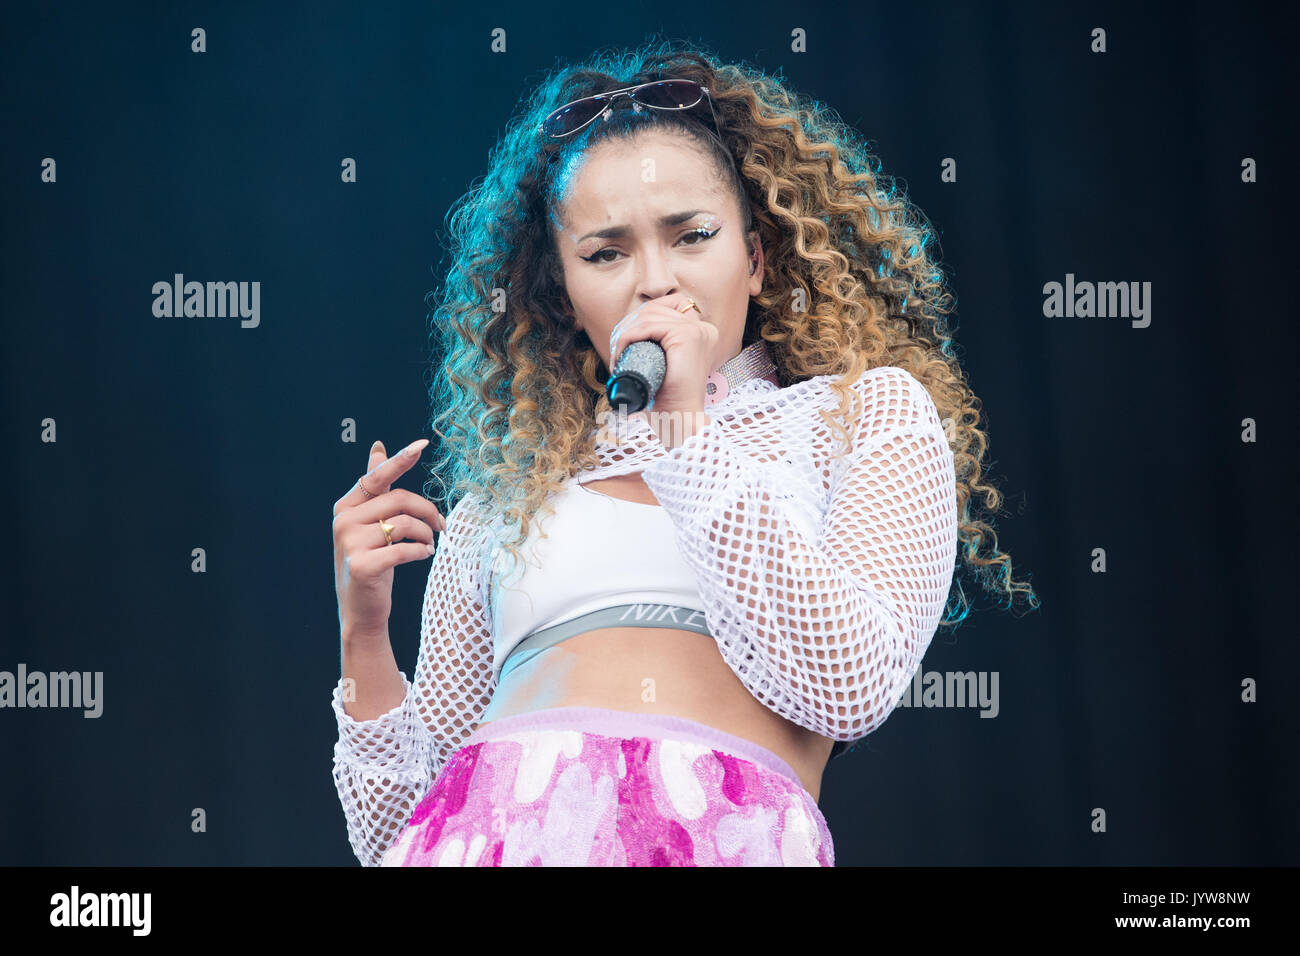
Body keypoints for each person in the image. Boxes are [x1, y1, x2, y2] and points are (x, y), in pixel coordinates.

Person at [329, 40, 1038, 867]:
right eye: (606, 253)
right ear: (561, 292)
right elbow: (400, 839)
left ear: (757, 257)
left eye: (691, 235)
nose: (654, 281)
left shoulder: (858, 415)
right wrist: (365, 635)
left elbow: (849, 682)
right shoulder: (507, 496)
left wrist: (681, 436)